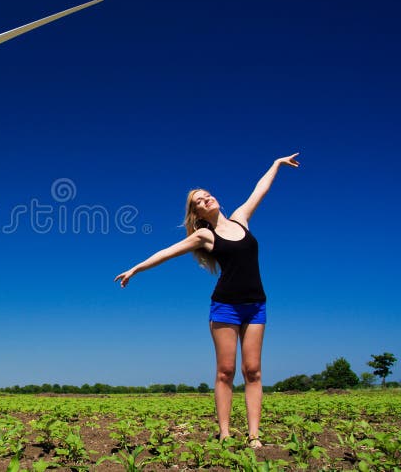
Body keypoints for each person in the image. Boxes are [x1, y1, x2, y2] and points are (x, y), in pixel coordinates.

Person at [114, 153, 300, 448]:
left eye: (207, 195)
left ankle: (254, 435)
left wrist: (276, 164)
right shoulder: (204, 235)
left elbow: (260, 189)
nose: (206, 199)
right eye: (199, 201)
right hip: (225, 307)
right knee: (226, 372)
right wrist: (135, 269)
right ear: (198, 214)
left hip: (256, 305)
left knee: (253, 371)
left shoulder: (241, 219)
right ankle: (225, 433)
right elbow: (167, 252)